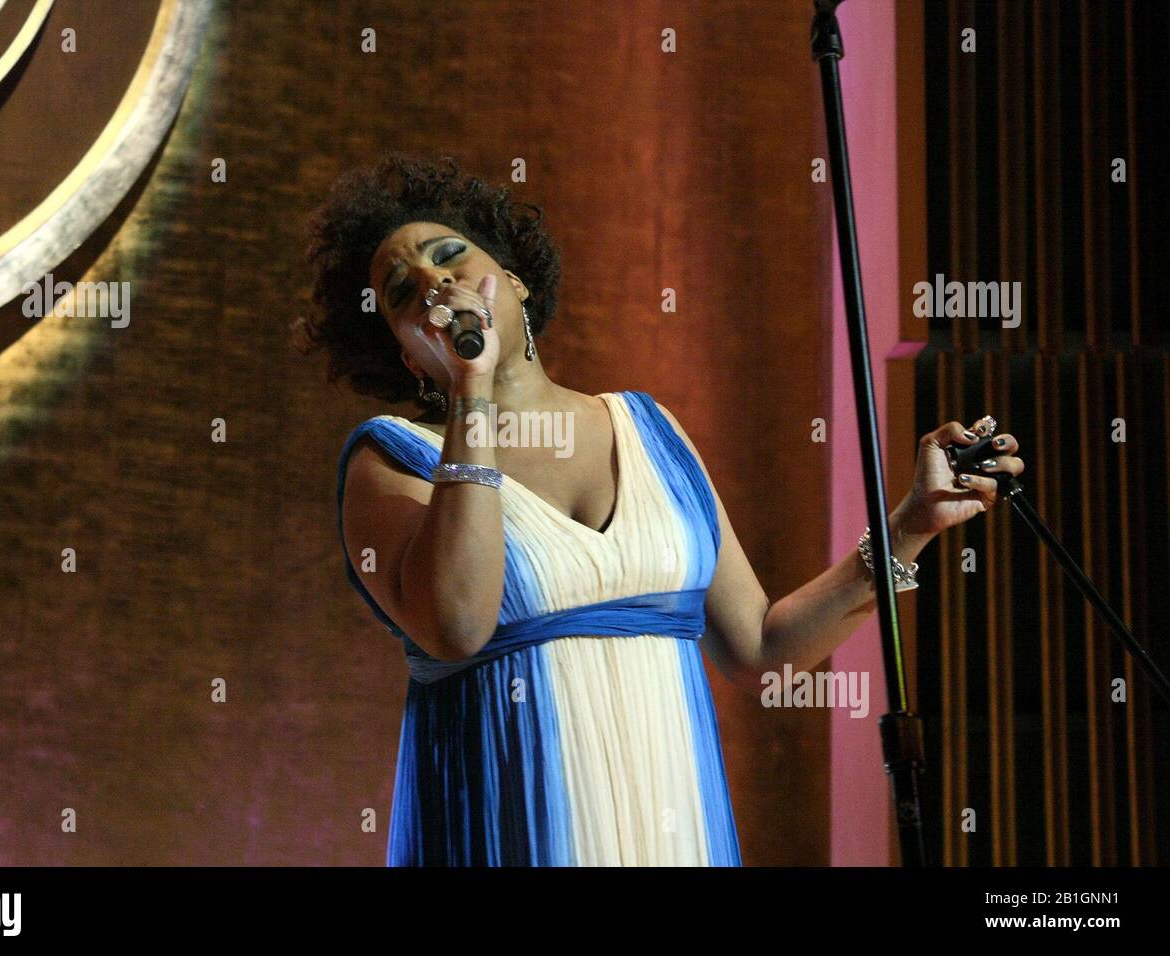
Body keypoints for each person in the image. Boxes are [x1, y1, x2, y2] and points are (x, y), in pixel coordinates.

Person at [298, 152, 1026, 866]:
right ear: (404, 353)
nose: (435, 282)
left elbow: (761, 649)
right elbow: (457, 624)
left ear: (515, 281)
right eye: (401, 292)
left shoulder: (649, 430)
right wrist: (471, 391)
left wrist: (910, 528)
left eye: (451, 255)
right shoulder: (391, 461)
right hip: (508, 829)